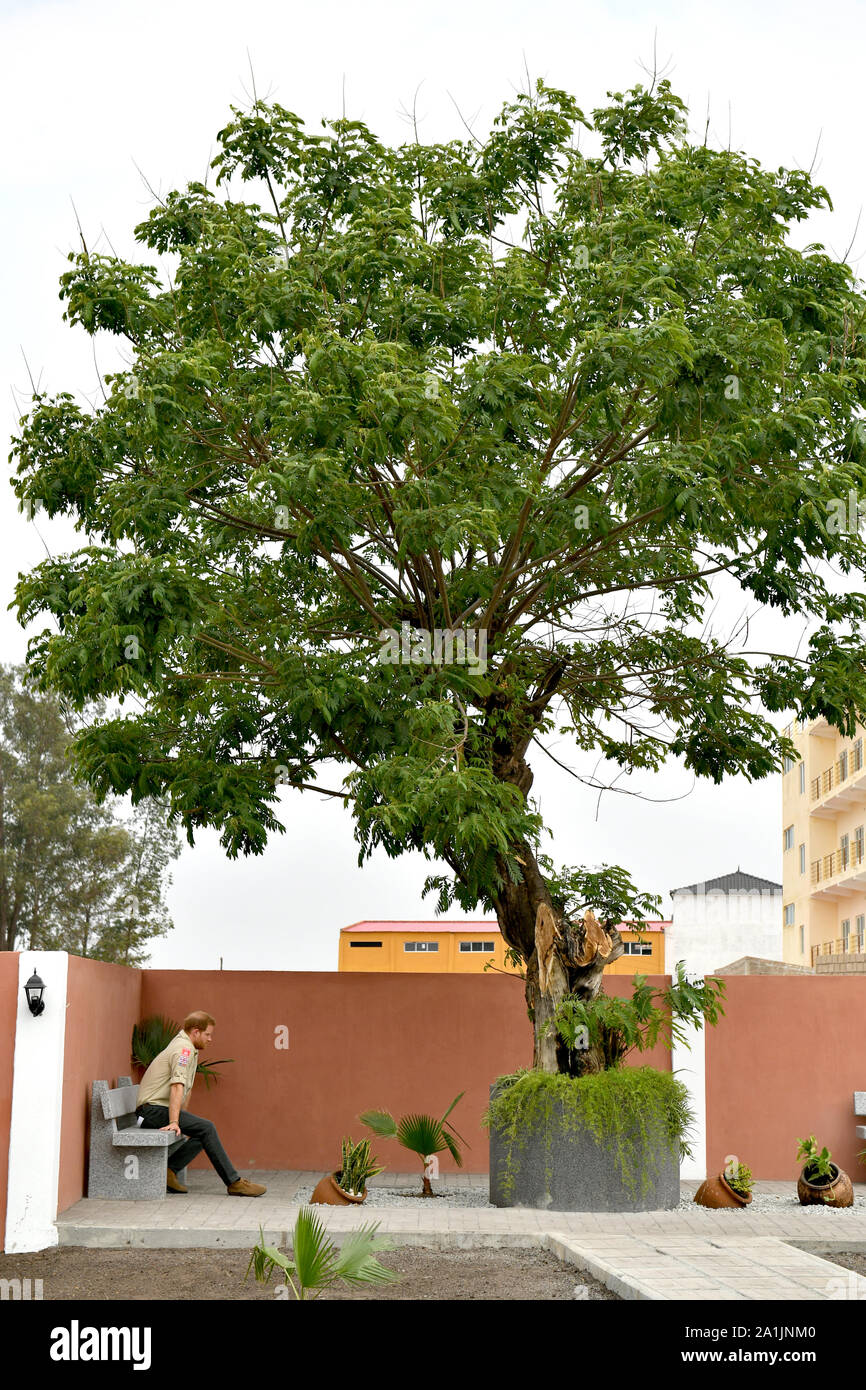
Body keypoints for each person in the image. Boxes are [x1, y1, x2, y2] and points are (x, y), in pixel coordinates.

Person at [135, 1010, 266, 1197]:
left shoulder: (188, 1048)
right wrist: (174, 1121)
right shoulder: (183, 1050)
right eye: (208, 1034)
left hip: (155, 1109)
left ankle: (169, 1171)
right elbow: (177, 1086)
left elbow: (183, 1089)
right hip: (150, 1112)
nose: (210, 1039)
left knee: (203, 1131)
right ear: (195, 1032)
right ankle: (234, 1183)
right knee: (207, 1128)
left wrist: (182, 1117)